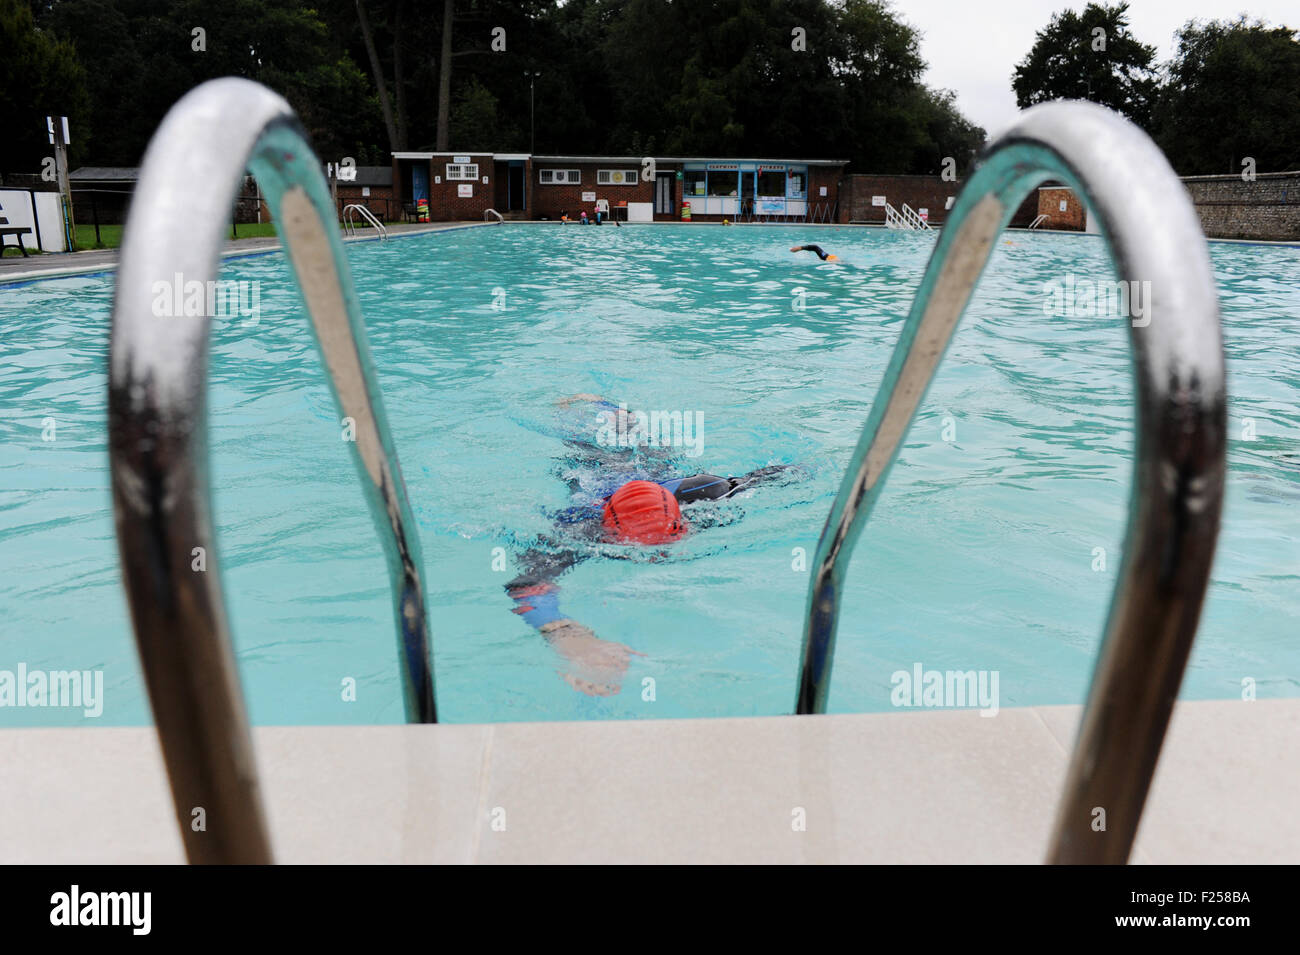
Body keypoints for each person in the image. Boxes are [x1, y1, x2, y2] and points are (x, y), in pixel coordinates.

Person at [505, 395, 798, 697]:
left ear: (682, 524)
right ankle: (578, 408)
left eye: (666, 545)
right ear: (609, 535)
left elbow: (772, 475)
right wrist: (571, 640)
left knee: (641, 440)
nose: (654, 559)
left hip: (661, 475)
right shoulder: (578, 528)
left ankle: (610, 408)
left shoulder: (705, 493)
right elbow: (526, 585)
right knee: (586, 447)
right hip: (598, 475)